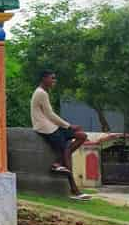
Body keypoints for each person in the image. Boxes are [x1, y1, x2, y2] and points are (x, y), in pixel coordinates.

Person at [30, 70, 90, 199]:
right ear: (44, 78)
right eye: (52, 78)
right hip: (45, 128)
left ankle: (58, 163)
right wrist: (69, 126)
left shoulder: (43, 92)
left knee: (81, 136)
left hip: (52, 127)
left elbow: (50, 115)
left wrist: (67, 126)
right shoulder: (41, 93)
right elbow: (50, 114)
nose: (54, 81)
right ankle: (75, 190)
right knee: (67, 153)